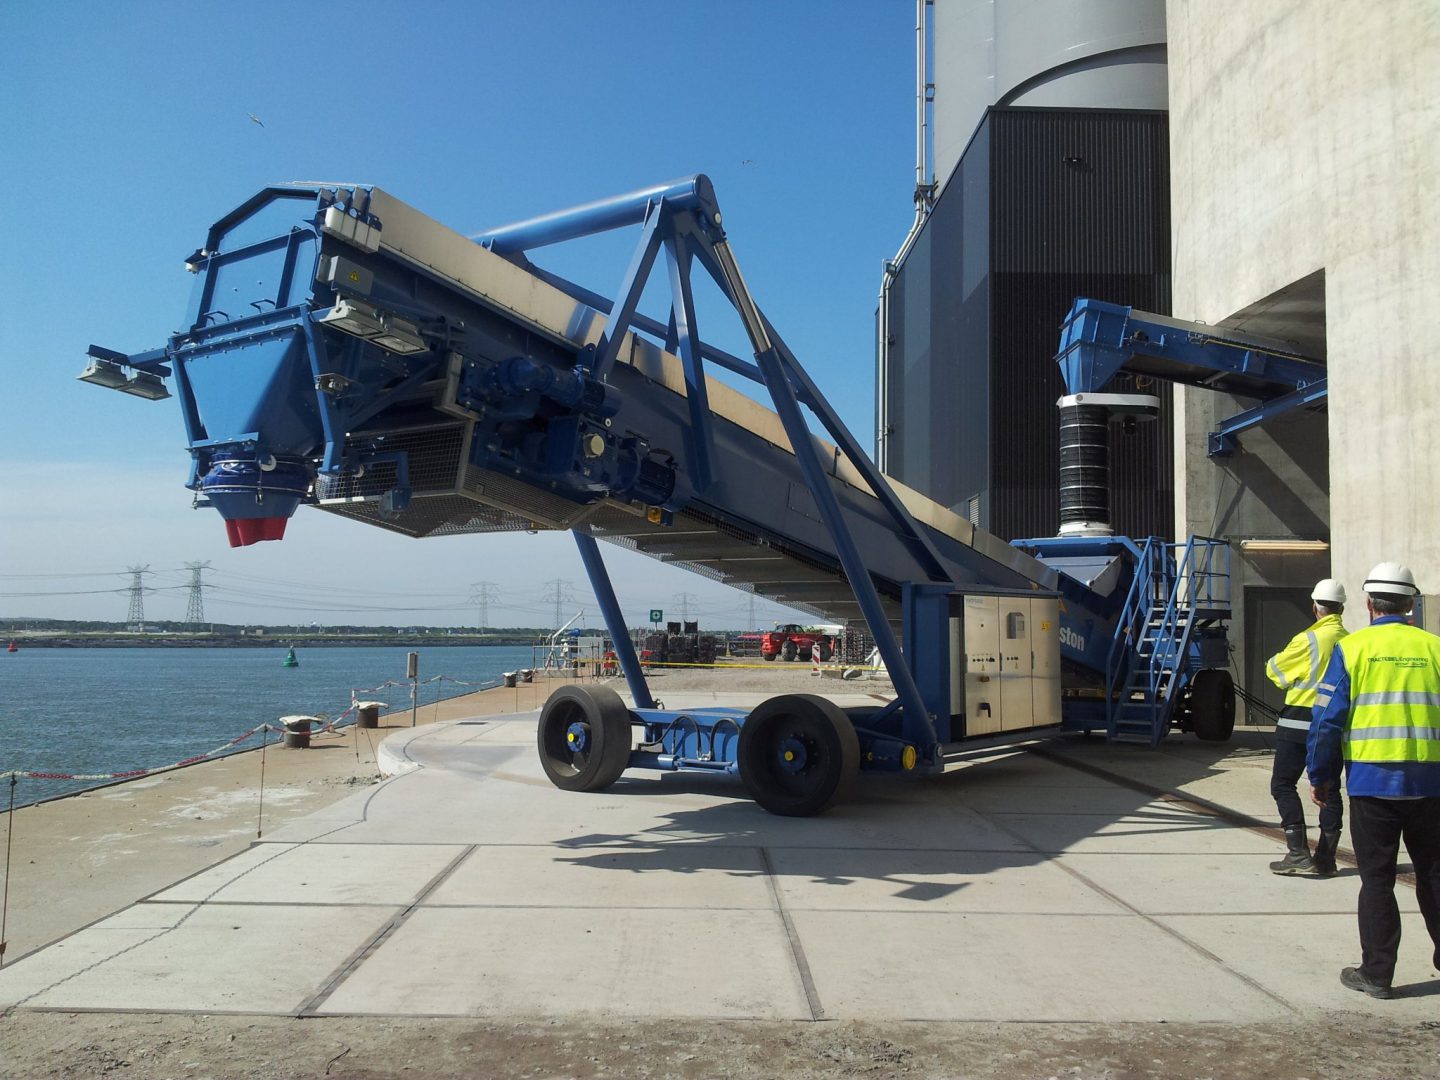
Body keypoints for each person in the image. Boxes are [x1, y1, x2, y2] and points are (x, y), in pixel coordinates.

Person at [1307, 562, 1440, 999]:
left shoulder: (1354, 650)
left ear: (1368, 603)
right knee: (1435, 875)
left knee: (1378, 880)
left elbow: (1327, 720)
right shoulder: (1435, 648)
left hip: (1371, 785)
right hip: (1431, 785)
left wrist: (1322, 777)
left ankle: (1378, 974)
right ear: (1410, 603)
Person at [1265, 579, 1349, 876]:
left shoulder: (1308, 640)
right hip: (1333, 724)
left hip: (1298, 721)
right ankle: (1326, 858)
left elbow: (1275, 671)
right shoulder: (1350, 642)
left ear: (1315, 607)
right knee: (1331, 789)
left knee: (1284, 784)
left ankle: (1298, 854)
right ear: (1343, 607)